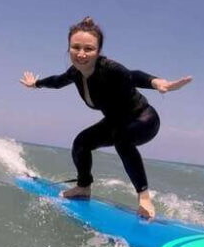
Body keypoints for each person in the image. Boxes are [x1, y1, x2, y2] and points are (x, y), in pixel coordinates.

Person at [20, 17, 192, 219]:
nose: (81, 54)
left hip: (143, 118)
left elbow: (133, 75)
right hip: (115, 122)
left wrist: (156, 82)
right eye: (76, 47)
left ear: (98, 51)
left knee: (122, 139)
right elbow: (57, 81)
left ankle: (144, 197)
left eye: (89, 49)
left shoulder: (110, 69)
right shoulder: (75, 73)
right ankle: (83, 188)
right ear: (69, 48)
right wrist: (36, 84)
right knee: (81, 143)